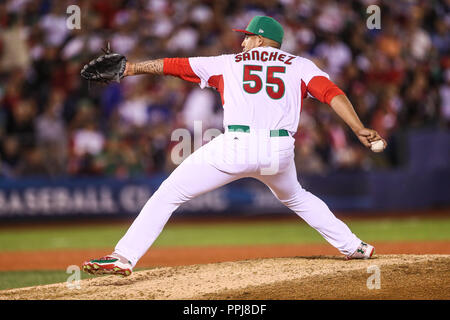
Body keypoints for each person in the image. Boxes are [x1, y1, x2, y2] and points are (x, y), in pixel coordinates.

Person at [82, 16, 386, 277]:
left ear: (260, 39)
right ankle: (355, 246)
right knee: (296, 196)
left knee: (170, 193)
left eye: (247, 37)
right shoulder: (301, 65)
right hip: (279, 151)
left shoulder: (226, 63)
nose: (242, 43)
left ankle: (123, 257)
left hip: (237, 146)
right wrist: (358, 127)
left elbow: (172, 66)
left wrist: (131, 68)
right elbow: (333, 93)